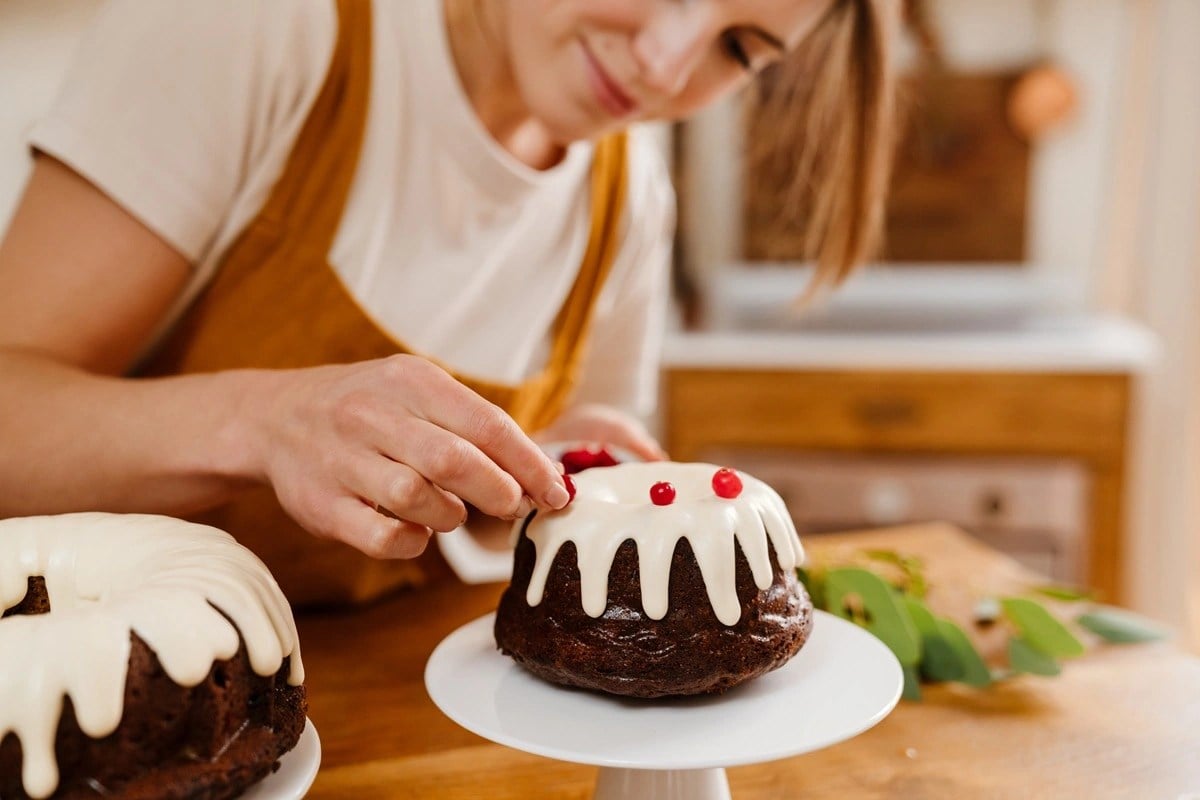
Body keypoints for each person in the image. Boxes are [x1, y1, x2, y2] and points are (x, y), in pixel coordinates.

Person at [0, 0, 898, 605]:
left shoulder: (630, 199)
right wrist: (263, 422)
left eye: (738, 49)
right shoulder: (254, 25)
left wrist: (538, 477)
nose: (667, 67)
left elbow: (539, 525)